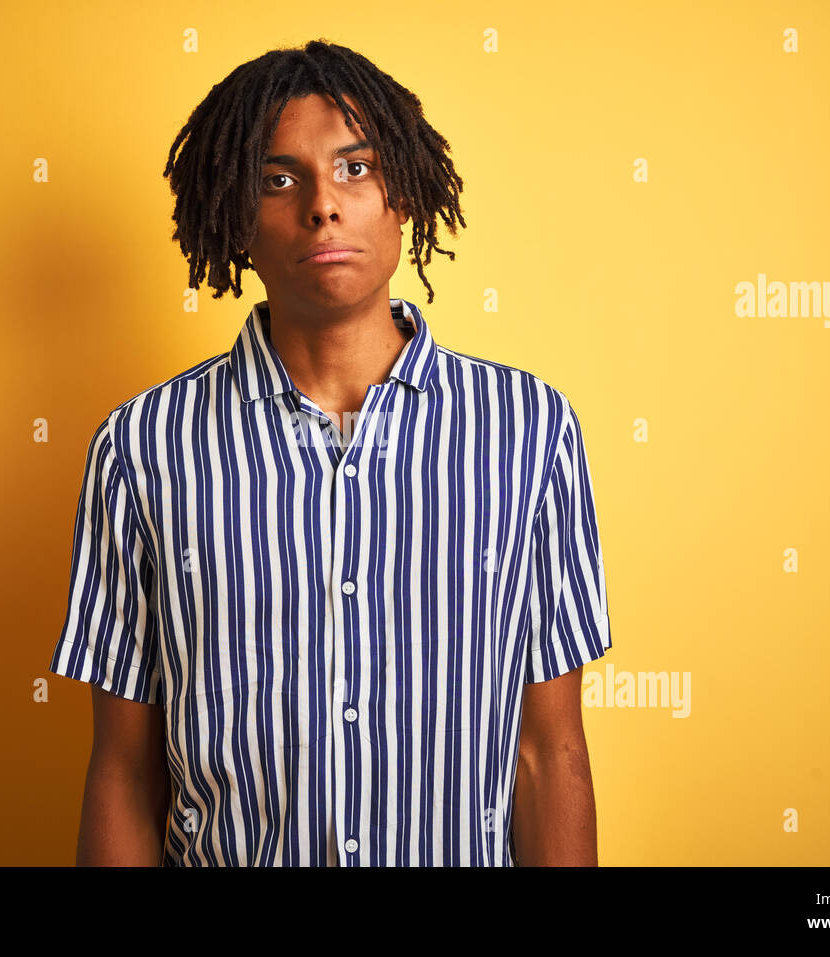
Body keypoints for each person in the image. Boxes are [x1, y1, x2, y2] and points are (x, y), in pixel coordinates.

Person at [49, 39, 612, 866]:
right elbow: (126, 773)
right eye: (279, 179)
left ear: (406, 194)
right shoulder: (142, 448)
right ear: (233, 216)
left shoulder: (528, 431)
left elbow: (548, 751)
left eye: (355, 168)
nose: (323, 205)